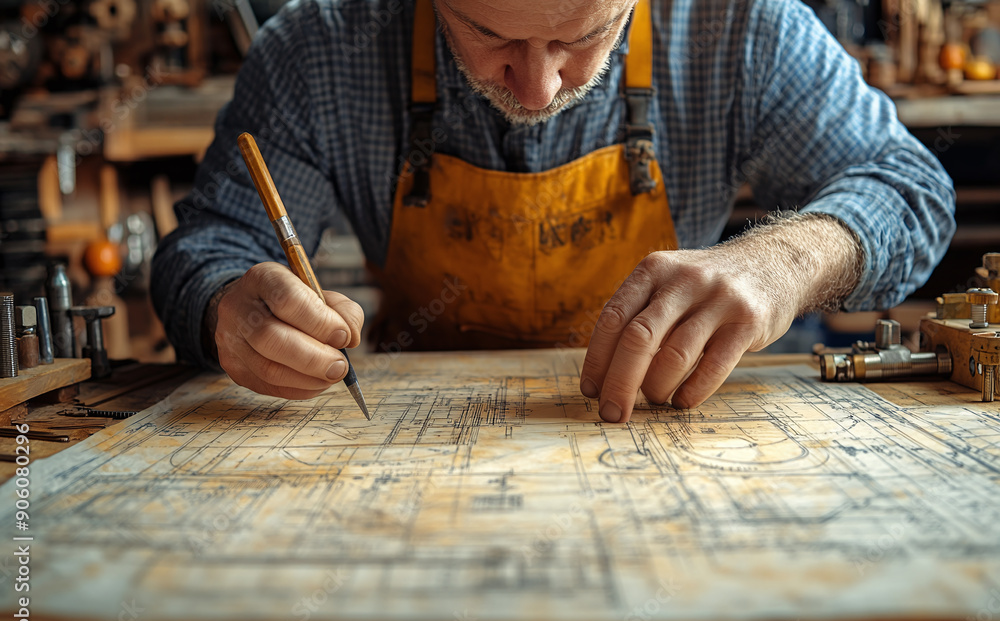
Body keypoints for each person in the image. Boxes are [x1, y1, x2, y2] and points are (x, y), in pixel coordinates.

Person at [151, 0, 955, 423]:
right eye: (487, 33)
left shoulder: (740, 24)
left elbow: (910, 190)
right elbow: (213, 244)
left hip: (664, 430)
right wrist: (229, 306)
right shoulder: (320, 47)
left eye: (585, 36)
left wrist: (782, 261)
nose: (538, 89)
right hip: (417, 461)